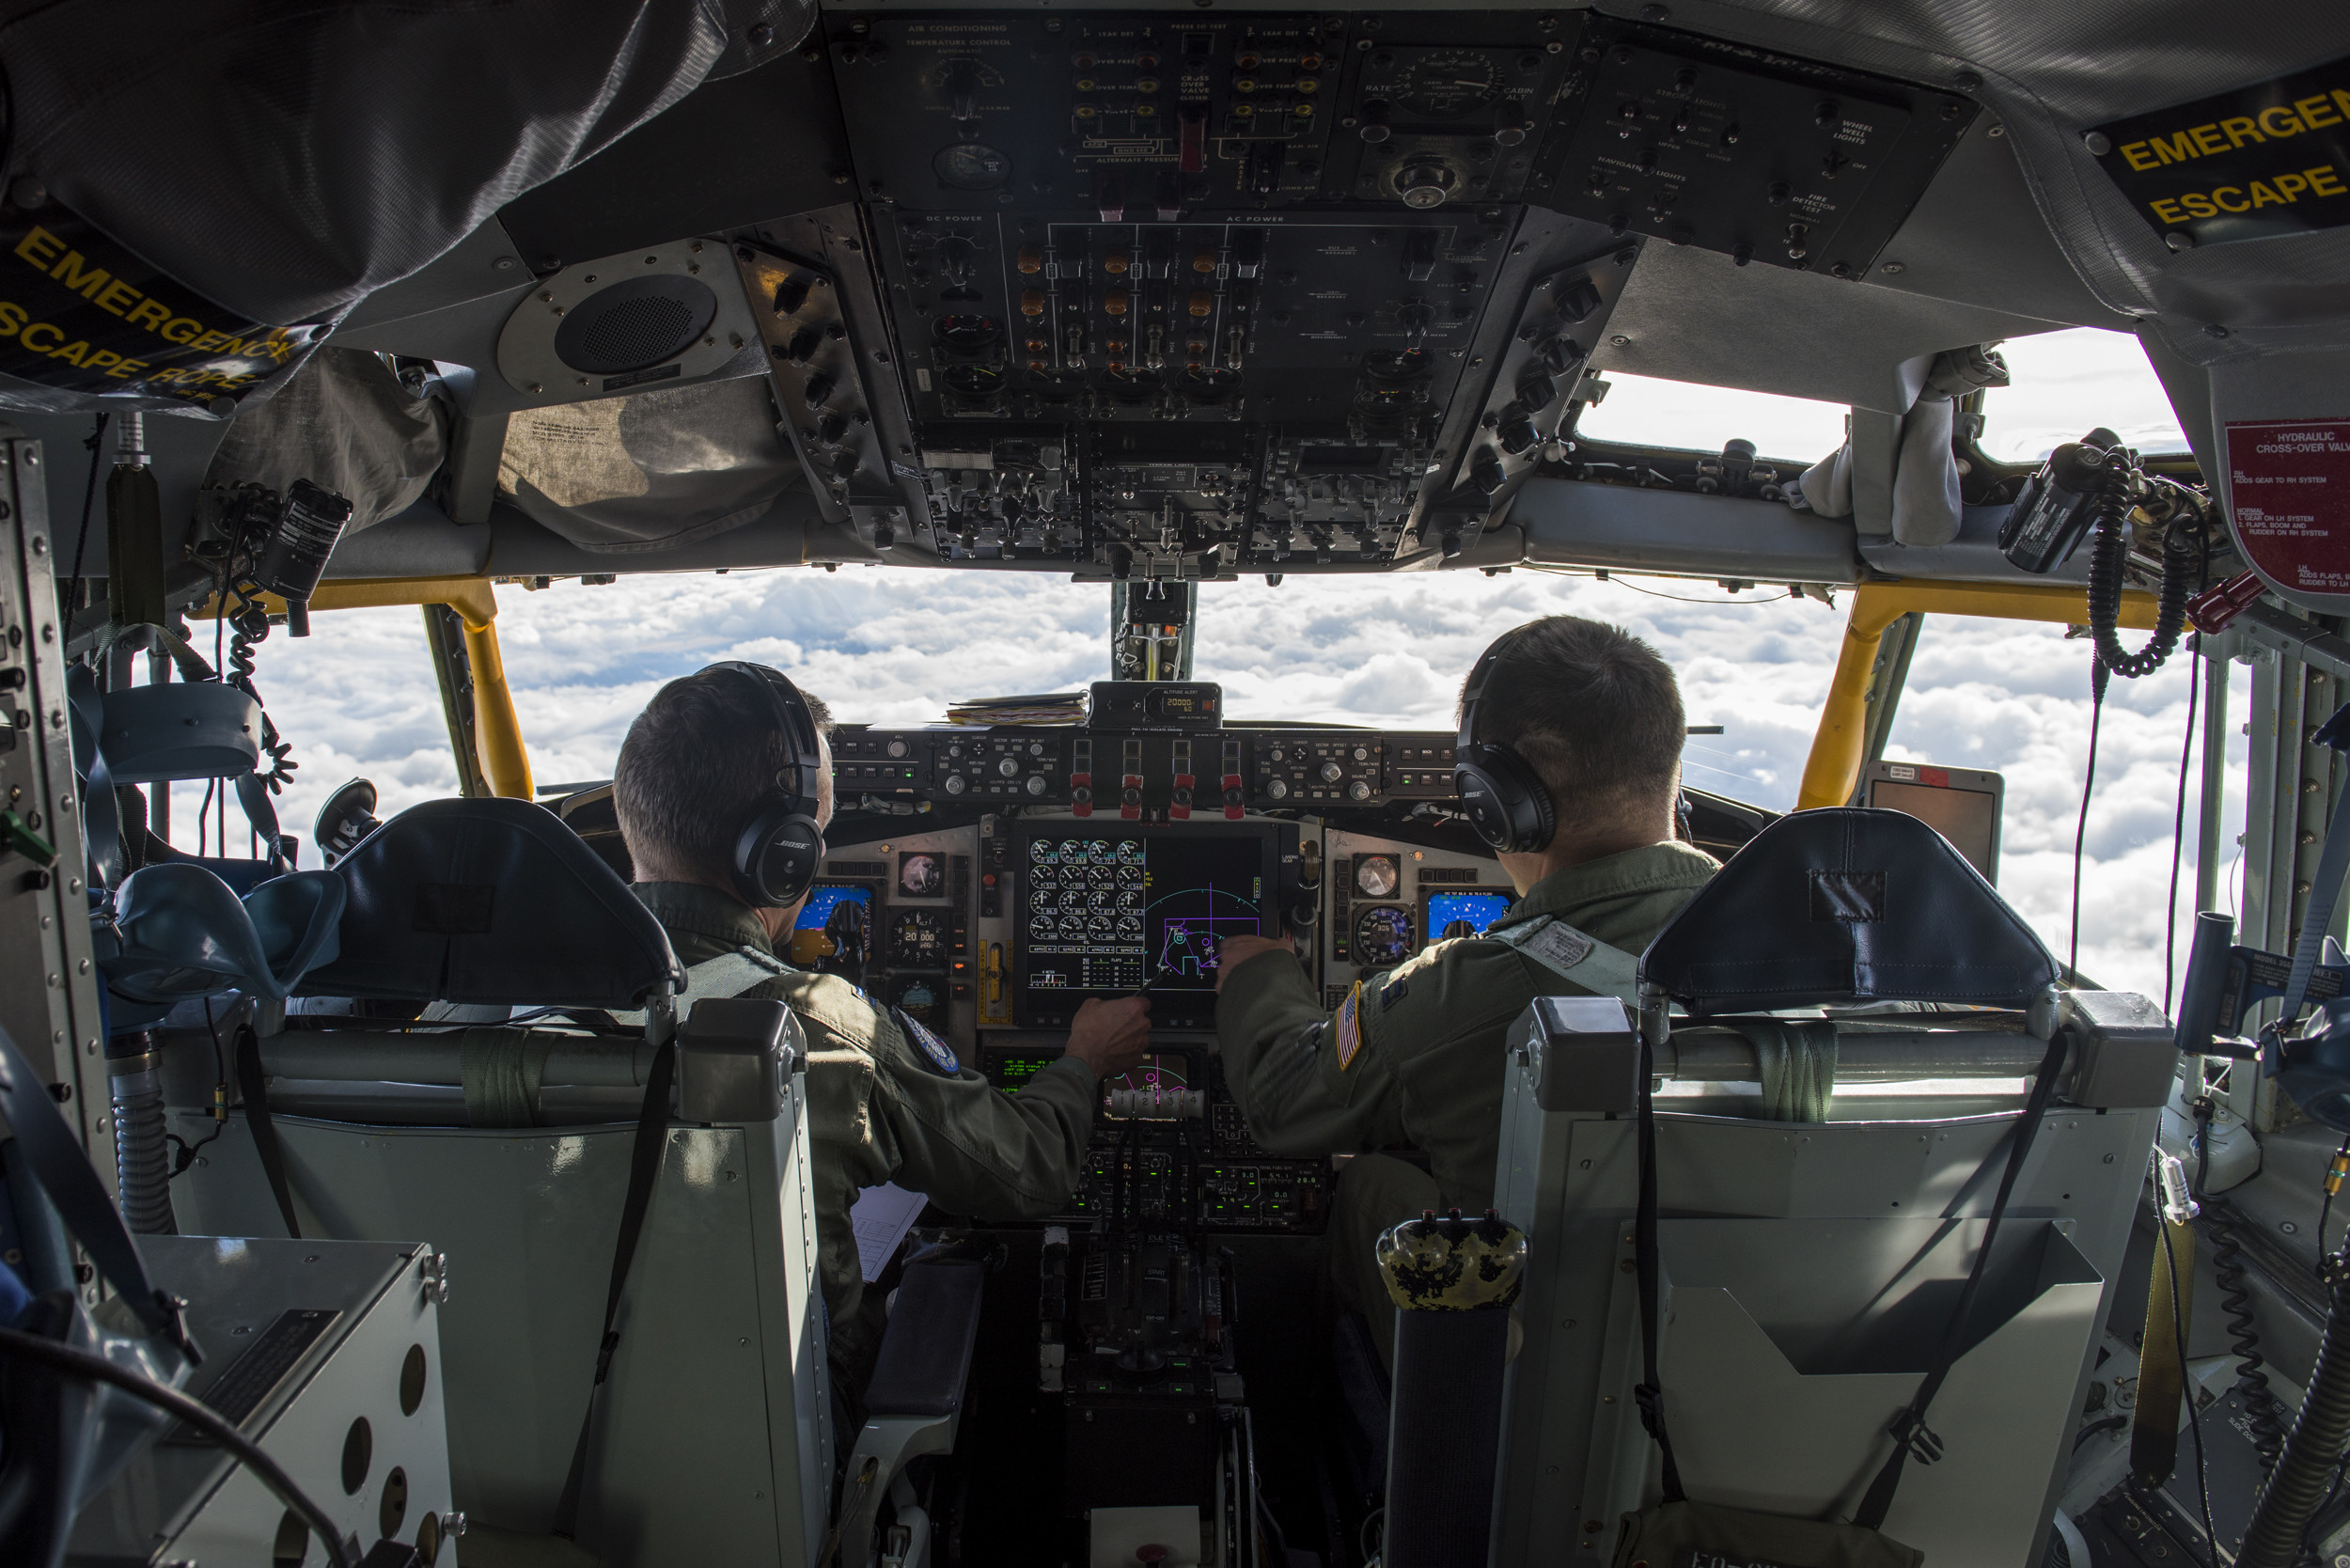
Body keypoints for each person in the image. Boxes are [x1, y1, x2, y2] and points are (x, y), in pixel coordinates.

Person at [612, 664, 1151, 1396]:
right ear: (784, 856)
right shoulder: (813, 1028)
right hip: (794, 1453)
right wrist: (1083, 1061)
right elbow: (1030, 1171)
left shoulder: (484, 1012)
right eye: (819, 835)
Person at [1214, 615, 1718, 1366]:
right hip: (1731, 1370)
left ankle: (1359, 1442)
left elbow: (1280, 1101)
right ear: (1668, 771)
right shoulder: (1819, 947)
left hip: (1539, 1391)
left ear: (1495, 804)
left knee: (1368, 1189)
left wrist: (1259, 973)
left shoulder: (1474, 994)